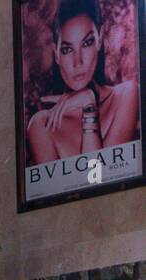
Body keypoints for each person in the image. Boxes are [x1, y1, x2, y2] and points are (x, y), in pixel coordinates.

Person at [26, 0, 140, 164]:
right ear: (56, 54)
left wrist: (90, 109)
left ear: (99, 39)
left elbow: (101, 178)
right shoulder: (41, 125)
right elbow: (93, 179)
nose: (77, 62)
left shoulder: (127, 95)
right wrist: (88, 109)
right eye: (67, 49)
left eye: (86, 43)